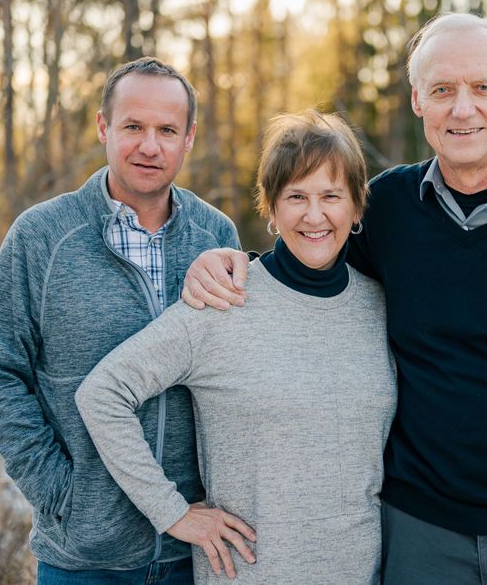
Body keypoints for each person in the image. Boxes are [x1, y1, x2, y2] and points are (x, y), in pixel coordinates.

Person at [183, 13, 487, 584]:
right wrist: (233, 263)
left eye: (482, 88)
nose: (463, 109)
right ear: (418, 99)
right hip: (421, 537)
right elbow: (308, 267)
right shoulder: (388, 208)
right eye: (443, 90)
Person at [75, 109, 396, 584]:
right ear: (270, 207)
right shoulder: (223, 300)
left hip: (360, 570)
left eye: (331, 196)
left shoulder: (379, 305)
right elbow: (102, 394)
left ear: (356, 208)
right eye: (296, 197)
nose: (314, 215)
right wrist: (172, 512)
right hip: (249, 574)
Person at [0, 57, 243, 584]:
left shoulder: (215, 236)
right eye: (133, 127)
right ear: (103, 127)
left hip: (198, 553)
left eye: (167, 130)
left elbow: (231, 380)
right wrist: (64, 497)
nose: (149, 146)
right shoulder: (41, 237)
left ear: (188, 138)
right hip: (84, 560)